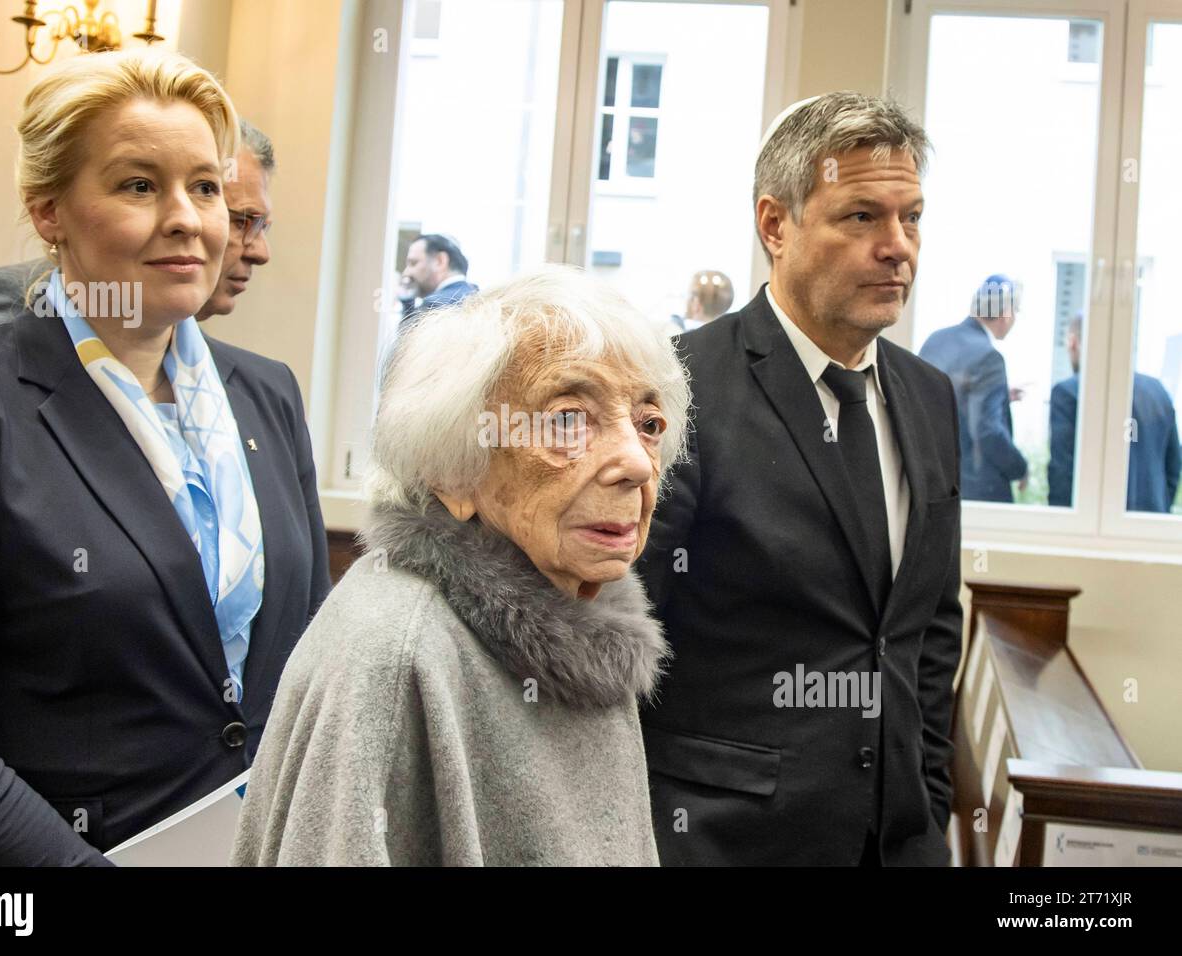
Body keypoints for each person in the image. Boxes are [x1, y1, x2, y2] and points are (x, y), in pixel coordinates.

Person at [0, 49, 331, 865]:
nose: (188, 219)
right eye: (137, 186)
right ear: (49, 211)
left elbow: (304, 675)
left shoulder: (268, 393)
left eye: (204, 186)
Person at [232, 267, 691, 866]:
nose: (636, 461)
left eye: (648, 424)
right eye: (570, 420)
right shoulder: (397, 649)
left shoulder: (583, 612)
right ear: (453, 469)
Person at [636, 91, 963, 867]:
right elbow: (623, 630)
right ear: (774, 225)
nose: (898, 247)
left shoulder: (928, 396)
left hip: (897, 843)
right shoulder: (678, 388)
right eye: (861, 218)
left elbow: (930, 629)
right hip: (723, 841)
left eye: (910, 217)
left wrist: (930, 799)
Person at [0, 119, 278, 350]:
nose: (261, 252)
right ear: (50, 212)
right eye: (241, 221)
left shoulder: (262, 390)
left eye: (205, 189)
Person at [1049, 321, 1180, 512]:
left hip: (1091, 523)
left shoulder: (1071, 392)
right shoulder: (1157, 392)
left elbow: (1062, 471)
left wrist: (1062, 525)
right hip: (1151, 522)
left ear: (1073, 342)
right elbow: (1173, 467)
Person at [919, 274, 1028, 502]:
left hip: (930, 482)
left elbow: (939, 400)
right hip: (976, 493)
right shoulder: (990, 357)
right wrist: (1019, 467)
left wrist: (1001, 397)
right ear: (1006, 314)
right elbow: (987, 431)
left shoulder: (936, 340)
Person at [396, 233, 478, 330]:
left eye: (413, 263)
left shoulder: (434, 305)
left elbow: (406, 344)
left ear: (440, 261)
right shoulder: (478, 297)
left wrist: (407, 305)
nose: (406, 272)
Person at [665, 269, 734, 336]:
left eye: (687, 294)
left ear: (696, 303)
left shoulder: (672, 332)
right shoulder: (725, 337)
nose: (683, 298)